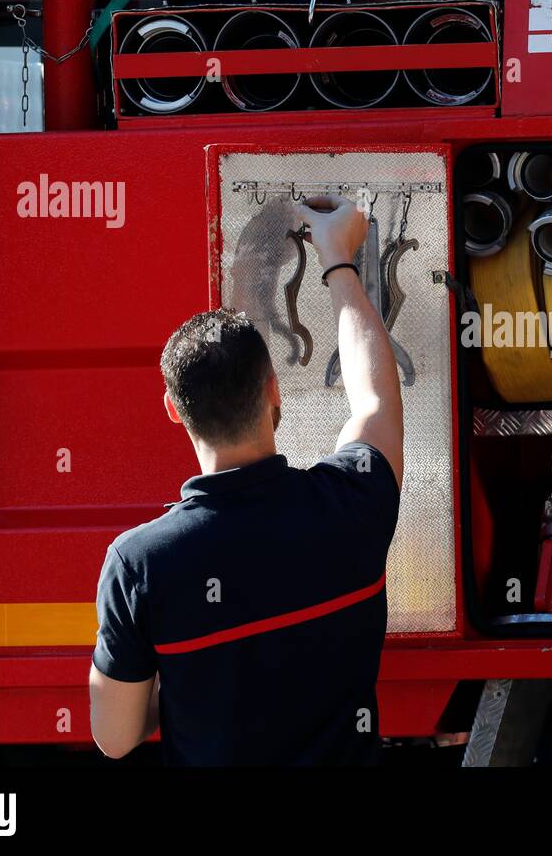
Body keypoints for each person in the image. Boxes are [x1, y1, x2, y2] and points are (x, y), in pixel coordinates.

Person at [88, 195, 403, 765]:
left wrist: (184, 668)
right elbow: (376, 397)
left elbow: (114, 736)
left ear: (173, 411)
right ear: (274, 391)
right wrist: (338, 259)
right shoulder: (351, 505)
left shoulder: (140, 565)